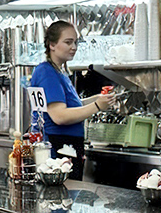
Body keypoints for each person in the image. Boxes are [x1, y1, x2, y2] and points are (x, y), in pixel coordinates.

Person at [30, 21, 115, 179]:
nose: (74, 47)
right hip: (57, 147)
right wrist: (97, 106)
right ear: (52, 45)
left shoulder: (59, 72)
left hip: (67, 145)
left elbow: (71, 107)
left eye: (76, 42)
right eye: (68, 42)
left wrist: (96, 99)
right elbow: (60, 116)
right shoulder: (46, 72)